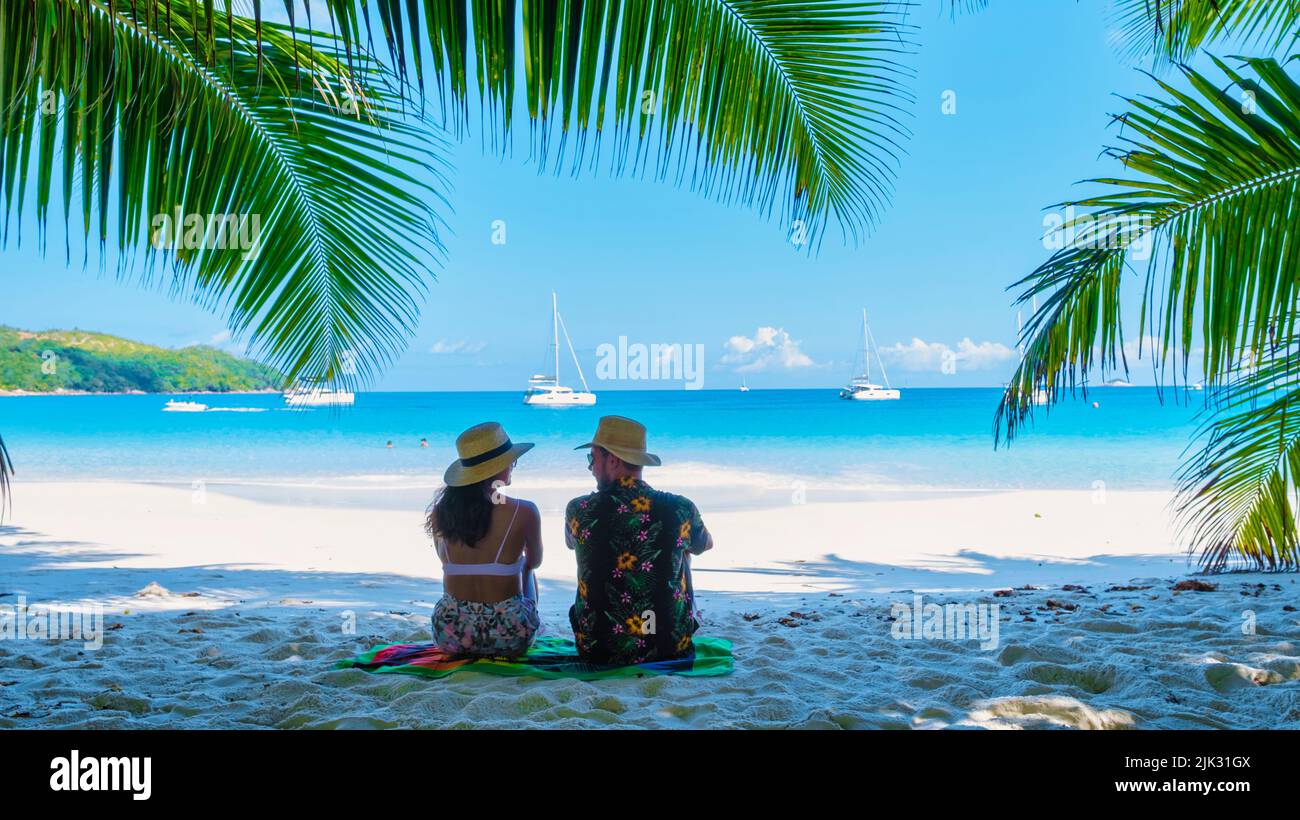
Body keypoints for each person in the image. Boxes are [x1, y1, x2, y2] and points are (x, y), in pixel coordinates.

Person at [566, 415, 713, 665]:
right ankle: (662, 626)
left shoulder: (579, 508)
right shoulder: (680, 507)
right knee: (682, 548)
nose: (590, 467)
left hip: (597, 647)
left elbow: (571, 543)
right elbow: (705, 545)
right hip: (669, 645)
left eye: (592, 458)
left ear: (611, 460)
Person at [426, 422, 543, 657]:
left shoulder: (441, 513)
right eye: (511, 460)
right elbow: (535, 561)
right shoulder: (525, 511)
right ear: (497, 468)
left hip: (450, 635)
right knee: (526, 566)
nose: (513, 465)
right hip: (510, 636)